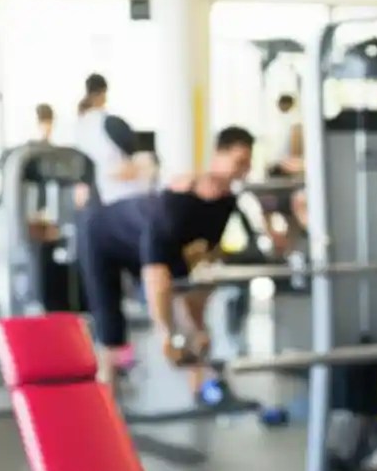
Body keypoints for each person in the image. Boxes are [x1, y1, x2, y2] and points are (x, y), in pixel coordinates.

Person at [76, 126, 254, 394]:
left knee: (195, 327)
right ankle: (106, 402)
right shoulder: (176, 205)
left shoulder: (224, 202)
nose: (244, 170)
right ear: (218, 154)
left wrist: (196, 327)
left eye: (248, 163)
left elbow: (198, 267)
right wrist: (166, 334)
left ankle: (200, 391)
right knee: (110, 329)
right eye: (239, 162)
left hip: (153, 245)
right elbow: (156, 276)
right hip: (103, 236)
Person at [75, 73, 156, 205]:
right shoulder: (111, 123)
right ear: (104, 93)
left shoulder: (79, 127)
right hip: (123, 199)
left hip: (94, 203)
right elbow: (138, 158)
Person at [271, 93, 304, 176]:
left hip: (285, 165)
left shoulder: (294, 120)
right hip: (284, 164)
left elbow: (295, 145)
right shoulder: (291, 120)